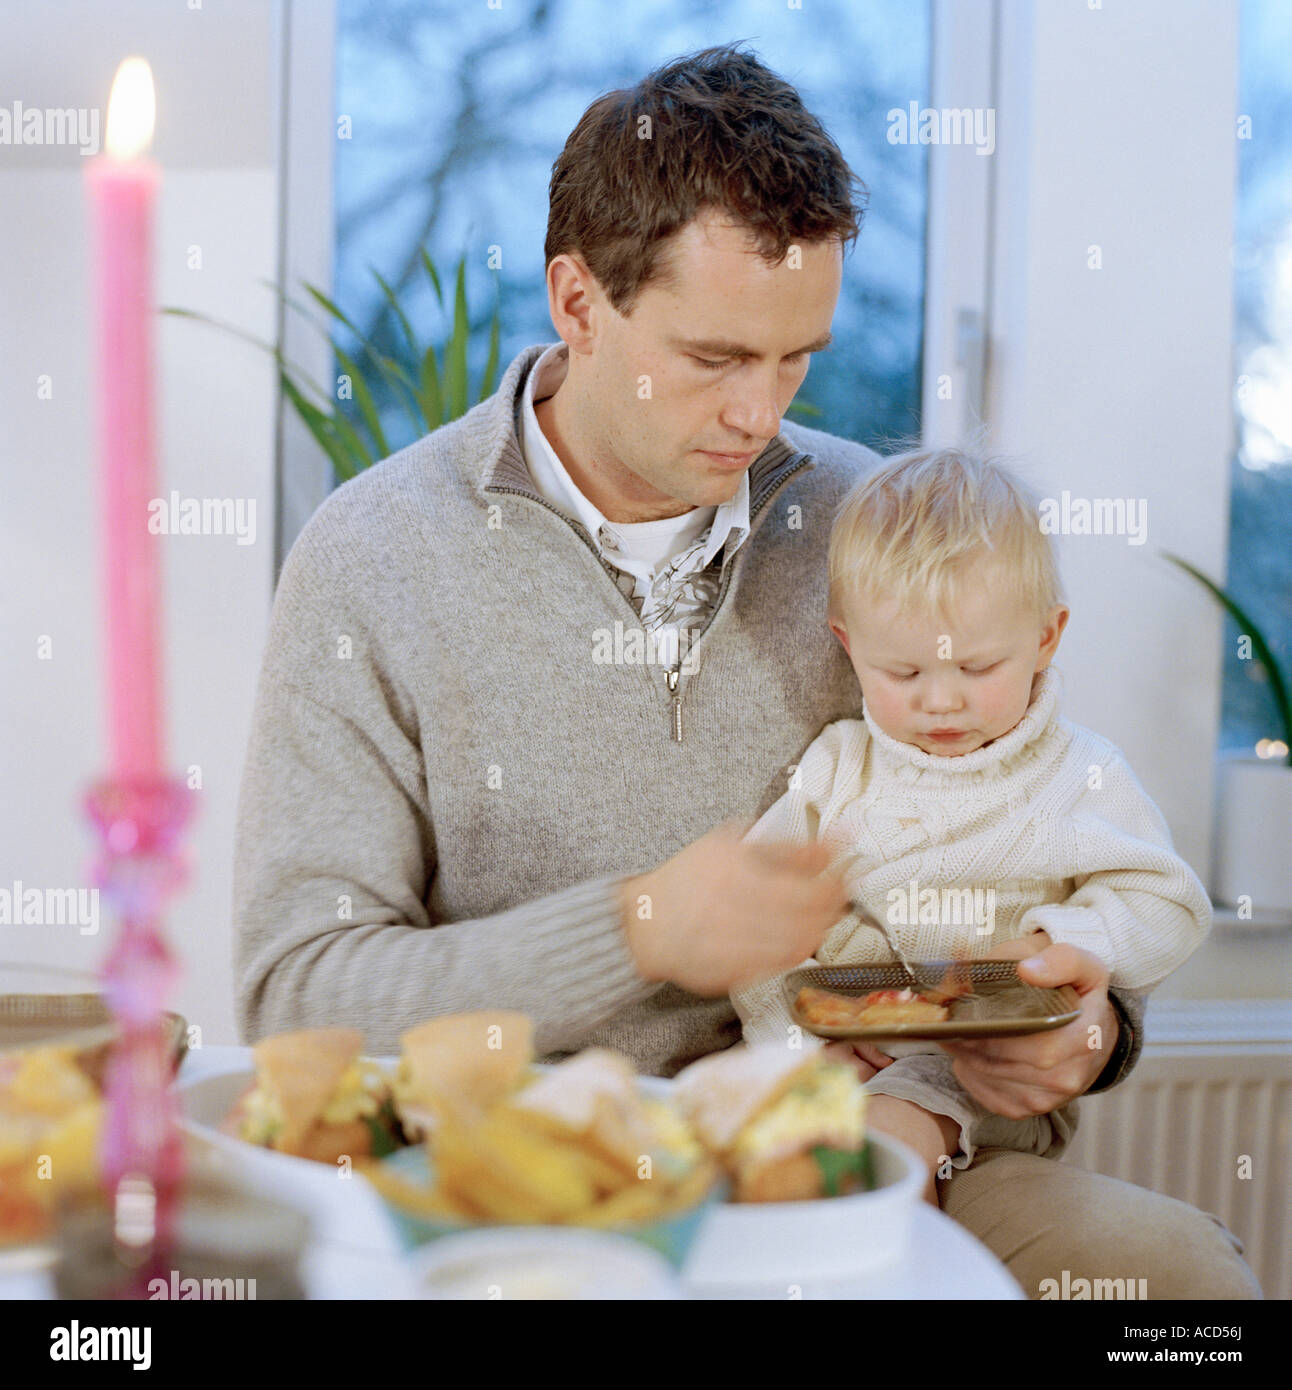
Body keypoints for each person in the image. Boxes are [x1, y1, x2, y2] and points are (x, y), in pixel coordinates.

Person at [232, 42, 1260, 1297]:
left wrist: (1085, 1035)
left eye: (797, 359)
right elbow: (300, 1000)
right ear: (575, 302)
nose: (760, 415)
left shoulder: (869, 522)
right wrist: (640, 930)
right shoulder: (374, 554)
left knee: (1171, 1282)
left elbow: (1038, 833)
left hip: (864, 1154)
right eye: (717, 358)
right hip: (530, 1183)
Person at [731, 445, 1213, 1195]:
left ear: (1047, 637)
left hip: (992, 1062)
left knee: (882, 1148)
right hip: (840, 1049)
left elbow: (1169, 904)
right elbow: (751, 922)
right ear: (847, 643)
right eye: (905, 672)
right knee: (764, 1160)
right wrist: (796, 1044)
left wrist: (1063, 945)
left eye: (978, 668)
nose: (942, 701)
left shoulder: (1080, 774)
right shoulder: (835, 767)